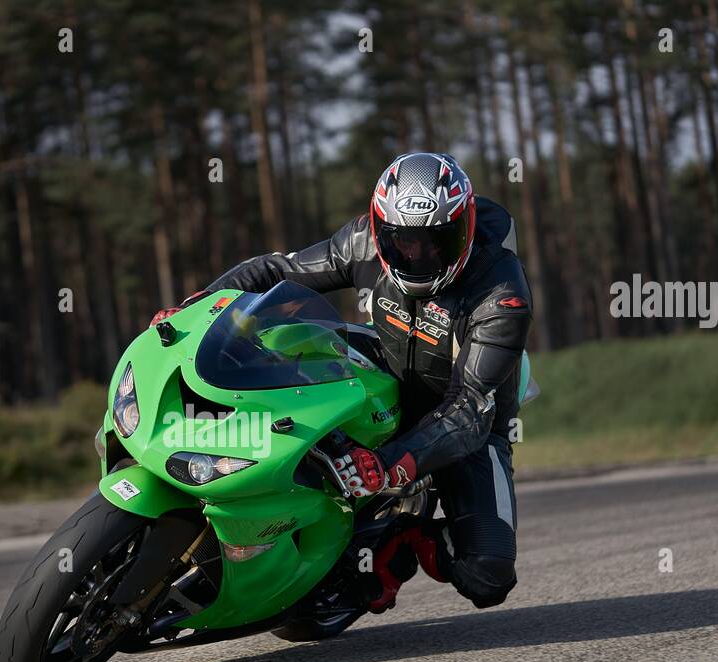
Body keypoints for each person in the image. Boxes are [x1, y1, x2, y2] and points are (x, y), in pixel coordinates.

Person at [152, 152, 532, 612]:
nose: (417, 255)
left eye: (436, 241)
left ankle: (405, 541)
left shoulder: (501, 294)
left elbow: (469, 409)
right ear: (379, 228)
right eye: (402, 241)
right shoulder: (362, 241)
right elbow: (277, 271)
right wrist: (198, 305)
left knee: (487, 575)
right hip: (380, 373)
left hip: (467, 417)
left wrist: (391, 464)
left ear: (466, 227)